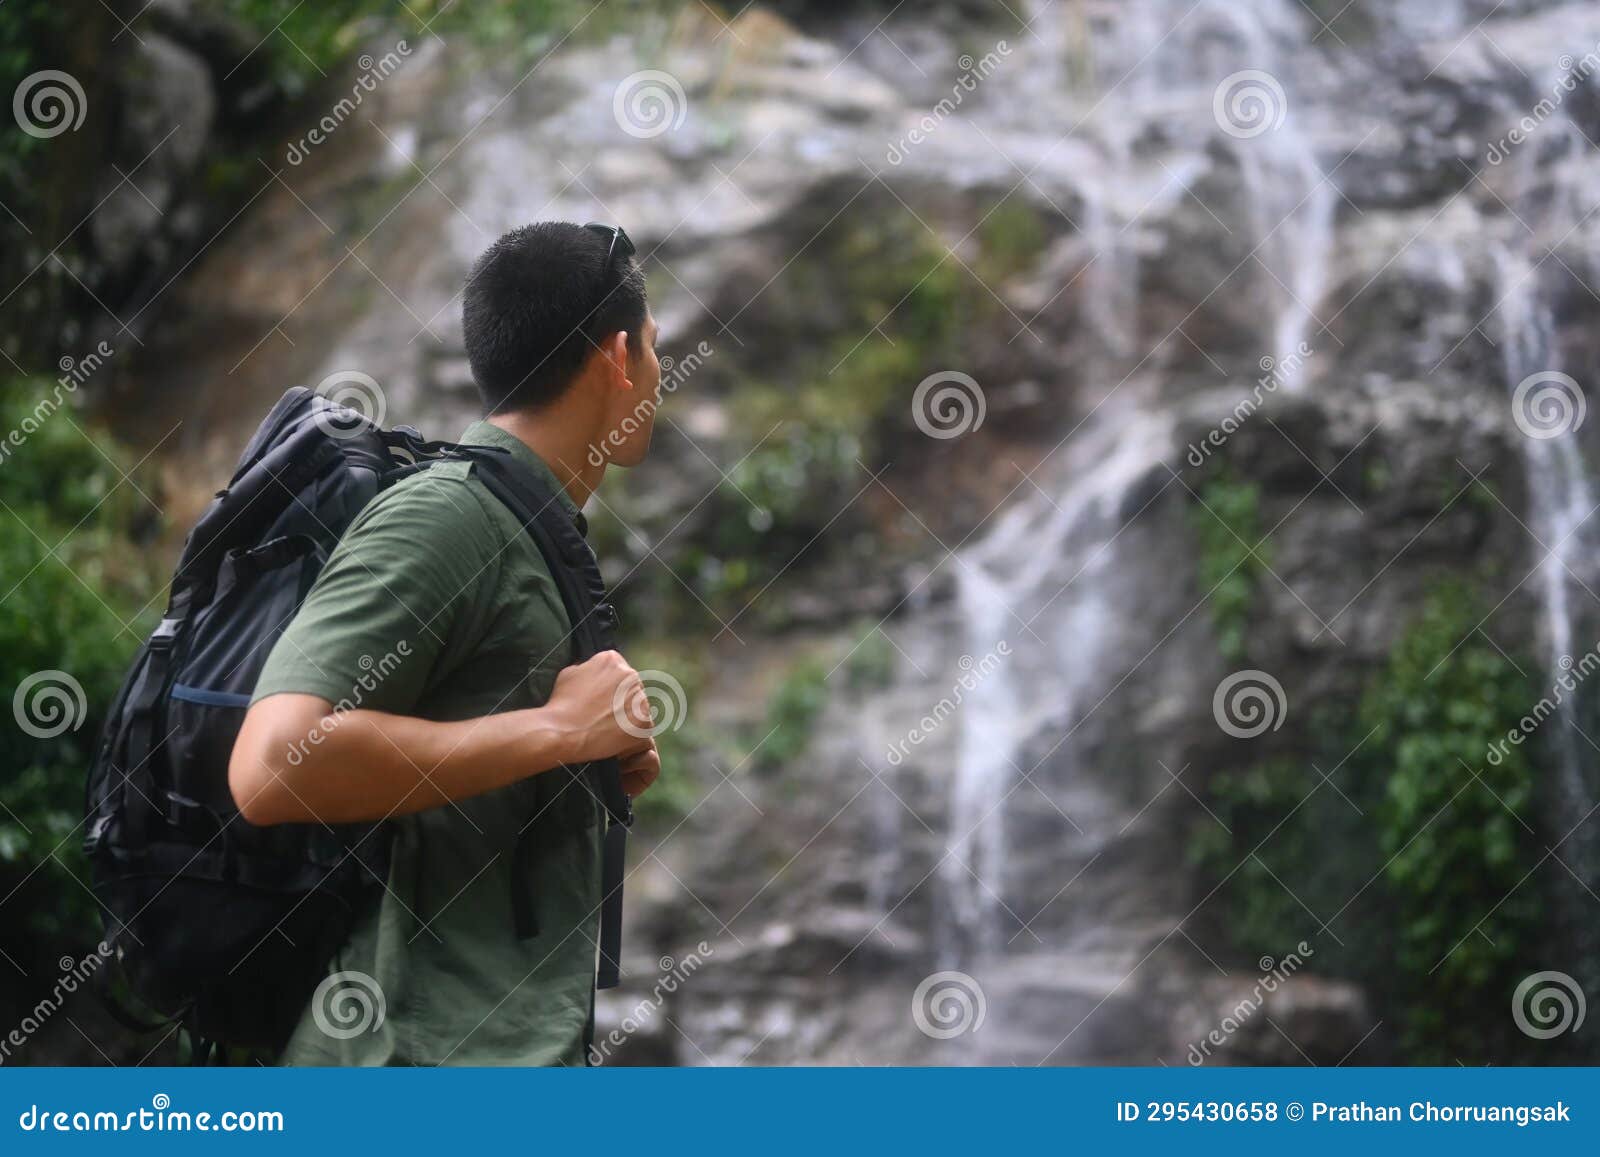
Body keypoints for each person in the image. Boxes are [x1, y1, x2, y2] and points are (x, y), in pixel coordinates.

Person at [228, 221, 665, 1065]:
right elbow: (273, 761)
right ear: (617, 357)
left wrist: (582, 767)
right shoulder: (448, 516)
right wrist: (558, 733)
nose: (657, 376)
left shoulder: (526, 524)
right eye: (653, 350)